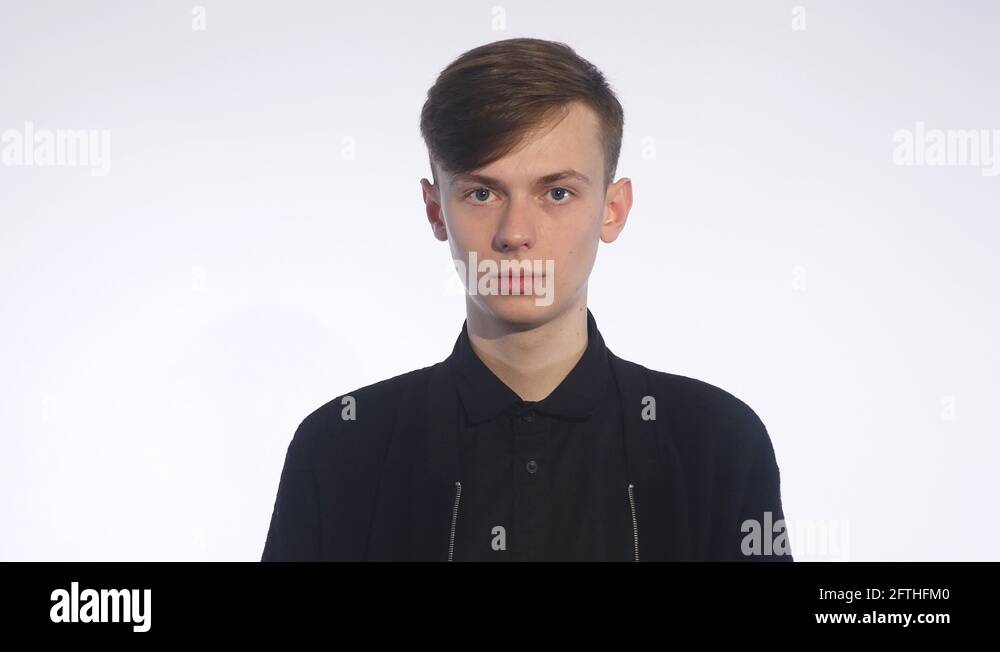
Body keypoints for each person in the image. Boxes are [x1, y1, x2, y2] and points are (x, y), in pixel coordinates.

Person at [262, 37, 792, 562]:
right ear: (435, 210)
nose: (515, 233)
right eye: (482, 193)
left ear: (613, 209)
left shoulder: (715, 442)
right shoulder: (339, 449)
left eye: (557, 192)